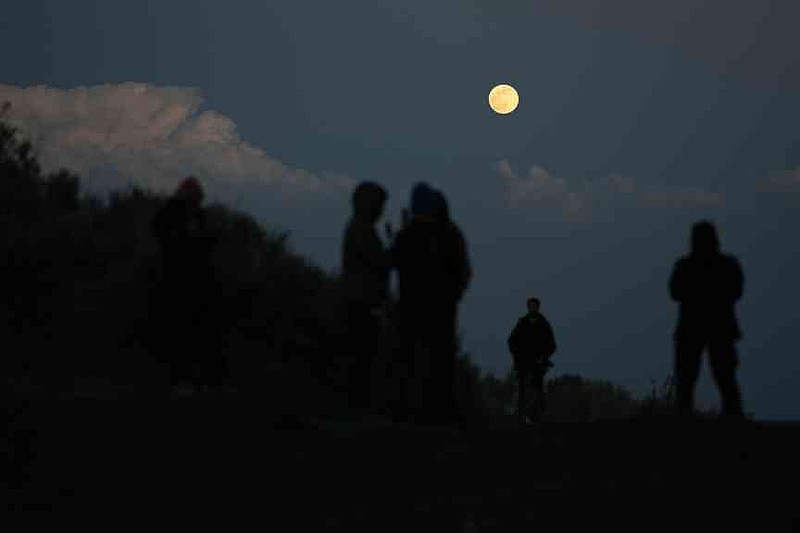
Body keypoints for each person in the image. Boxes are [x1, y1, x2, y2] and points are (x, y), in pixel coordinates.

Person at [392, 183, 471, 426]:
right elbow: (463, 271)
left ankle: (411, 410)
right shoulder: (450, 234)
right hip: (441, 308)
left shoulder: (409, 234)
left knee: (414, 359)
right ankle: (441, 409)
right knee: (440, 361)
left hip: (415, 307)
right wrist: (453, 294)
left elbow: (398, 264)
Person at [151, 176, 220, 396]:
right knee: (179, 332)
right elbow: (166, 238)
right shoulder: (170, 214)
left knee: (193, 333)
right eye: (194, 198)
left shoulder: (197, 217)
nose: (196, 202)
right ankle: (179, 379)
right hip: (176, 280)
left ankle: (195, 379)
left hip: (194, 283)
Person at [669, 220, 745, 418]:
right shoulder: (727, 265)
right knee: (722, 376)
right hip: (718, 328)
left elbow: (676, 292)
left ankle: (685, 417)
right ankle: (732, 417)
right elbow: (736, 291)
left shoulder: (685, 266)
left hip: (693, 328)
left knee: (692, 378)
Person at [341, 181, 391, 411]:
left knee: (361, 357)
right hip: (362, 302)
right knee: (363, 357)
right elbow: (379, 263)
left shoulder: (358, 228)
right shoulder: (362, 230)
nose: (381, 210)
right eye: (379, 204)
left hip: (359, 301)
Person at [507, 297, 556, 425]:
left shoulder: (544, 324)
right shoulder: (522, 323)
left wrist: (544, 357)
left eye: (534, 306)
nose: (532, 308)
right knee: (522, 388)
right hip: (523, 361)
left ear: (538, 307)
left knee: (537, 389)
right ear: (527, 307)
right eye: (530, 306)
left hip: (538, 362)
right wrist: (517, 357)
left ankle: (536, 414)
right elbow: (512, 341)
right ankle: (522, 414)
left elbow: (552, 345)